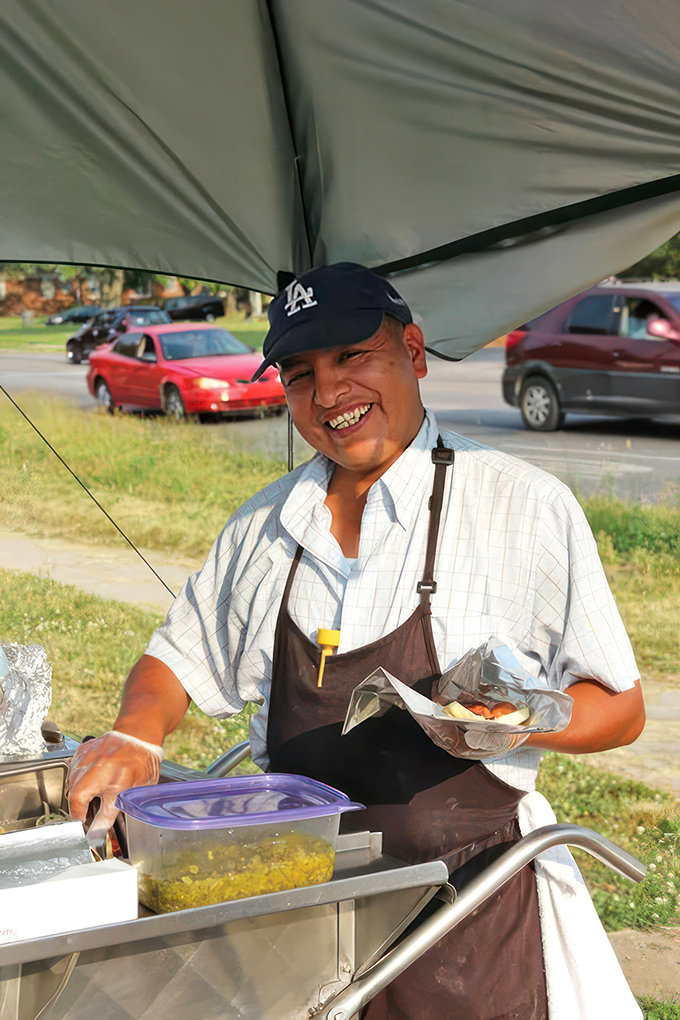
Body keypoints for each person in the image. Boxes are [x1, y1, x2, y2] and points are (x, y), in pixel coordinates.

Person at [69, 263, 645, 1020]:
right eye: (301, 374)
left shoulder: (525, 506)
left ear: (413, 350)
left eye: (352, 357)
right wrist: (134, 732)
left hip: (466, 916)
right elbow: (174, 661)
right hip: (297, 916)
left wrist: (521, 721)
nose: (330, 394)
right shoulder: (263, 527)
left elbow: (621, 707)